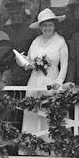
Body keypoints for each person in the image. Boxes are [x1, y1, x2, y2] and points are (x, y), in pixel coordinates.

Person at [14, 9, 69, 138]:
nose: (47, 28)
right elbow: (29, 61)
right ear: (40, 27)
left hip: (51, 81)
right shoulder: (36, 41)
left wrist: (58, 83)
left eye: (50, 25)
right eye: (44, 25)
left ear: (55, 26)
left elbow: (64, 65)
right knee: (32, 112)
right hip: (34, 81)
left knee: (50, 114)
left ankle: (51, 148)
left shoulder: (60, 41)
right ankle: (31, 146)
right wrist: (21, 61)